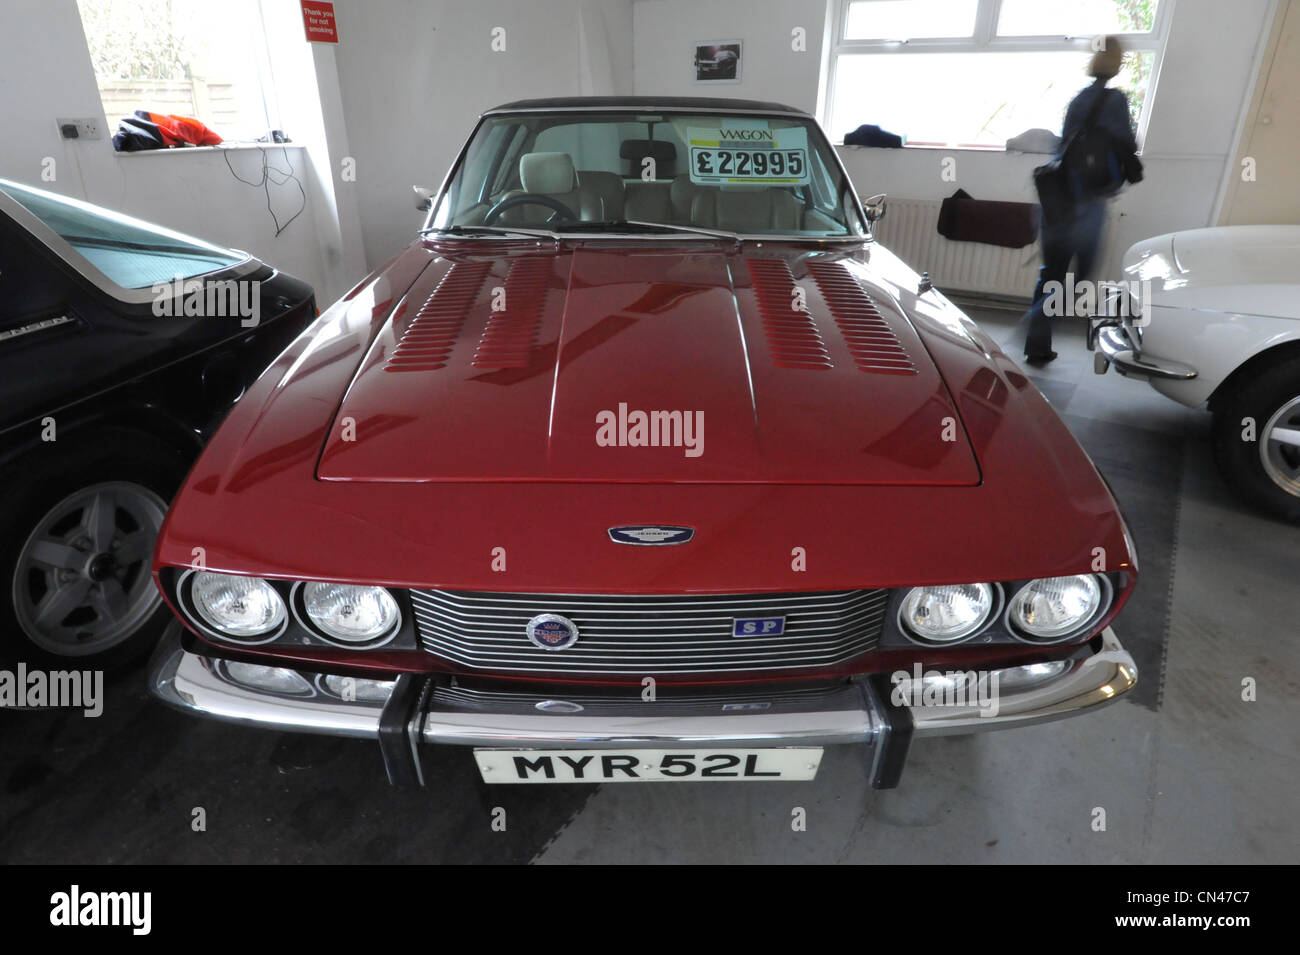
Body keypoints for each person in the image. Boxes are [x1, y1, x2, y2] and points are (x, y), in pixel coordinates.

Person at [1023, 36, 1142, 364]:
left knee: (1052, 274)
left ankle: (1037, 342)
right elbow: (1126, 145)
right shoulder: (1116, 101)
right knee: (1080, 276)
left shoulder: (1078, 100)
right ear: (1118, 63)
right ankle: (1034, 323)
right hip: (1088, 205)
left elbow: (1063, 148)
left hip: (1057, 202)